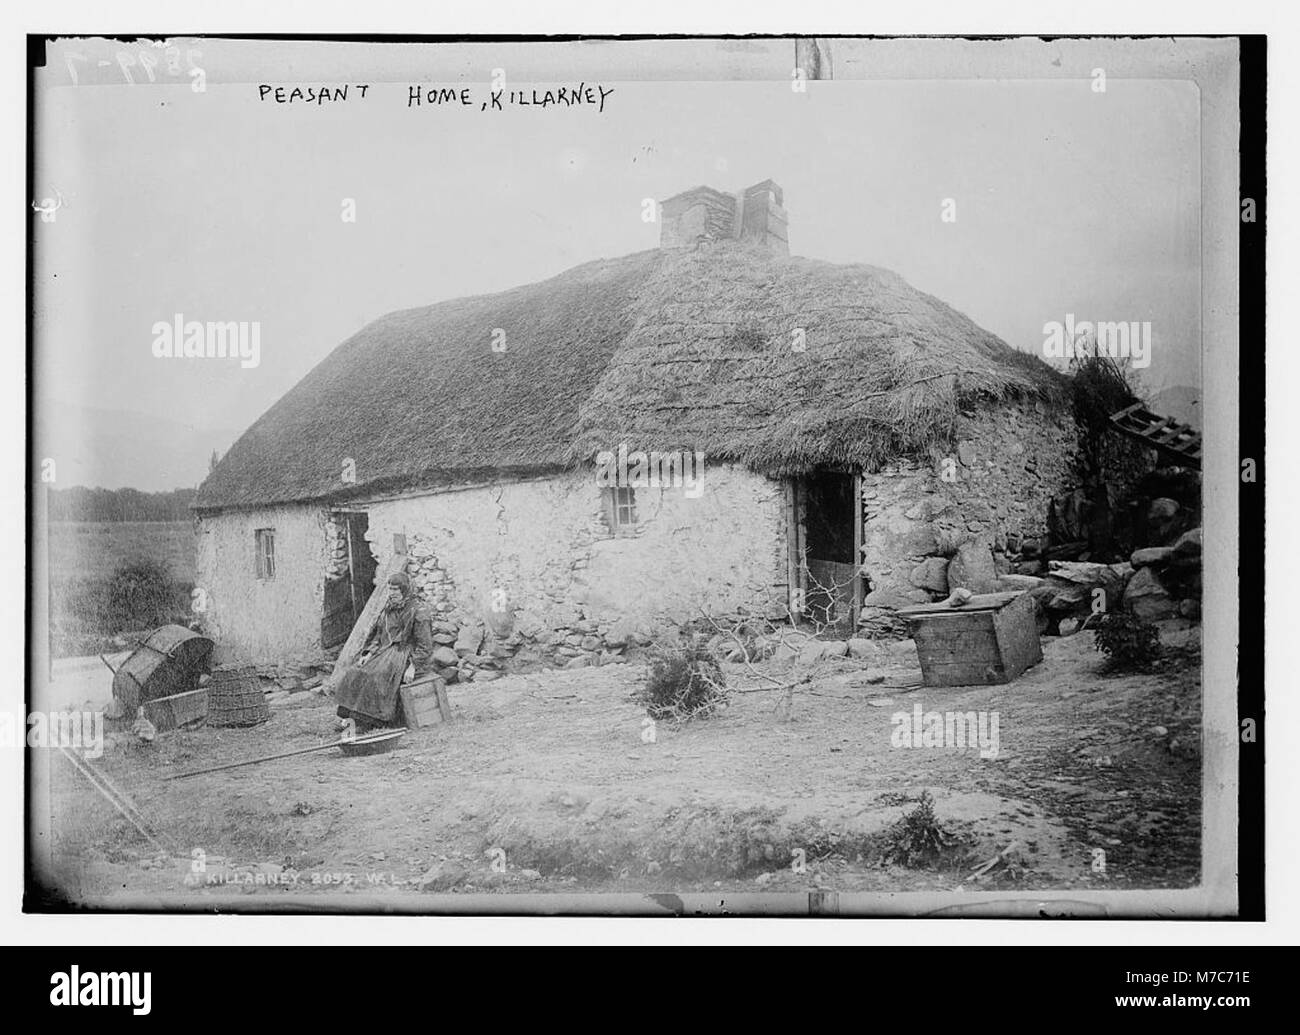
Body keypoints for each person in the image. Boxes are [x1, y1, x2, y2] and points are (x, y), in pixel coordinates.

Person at [334, 572, 433, 731]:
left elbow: (425, 645)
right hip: (385, 651)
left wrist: (413, 666)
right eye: (390, 589)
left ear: (405, 589)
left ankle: (371, 721)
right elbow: (379, 636)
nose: (392, 593)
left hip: (406, 654)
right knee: (355, 671)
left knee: (378, 675)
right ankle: (351, 716)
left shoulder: (419, 611)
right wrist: (369, 654)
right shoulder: (389, 609)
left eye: (396, 589)